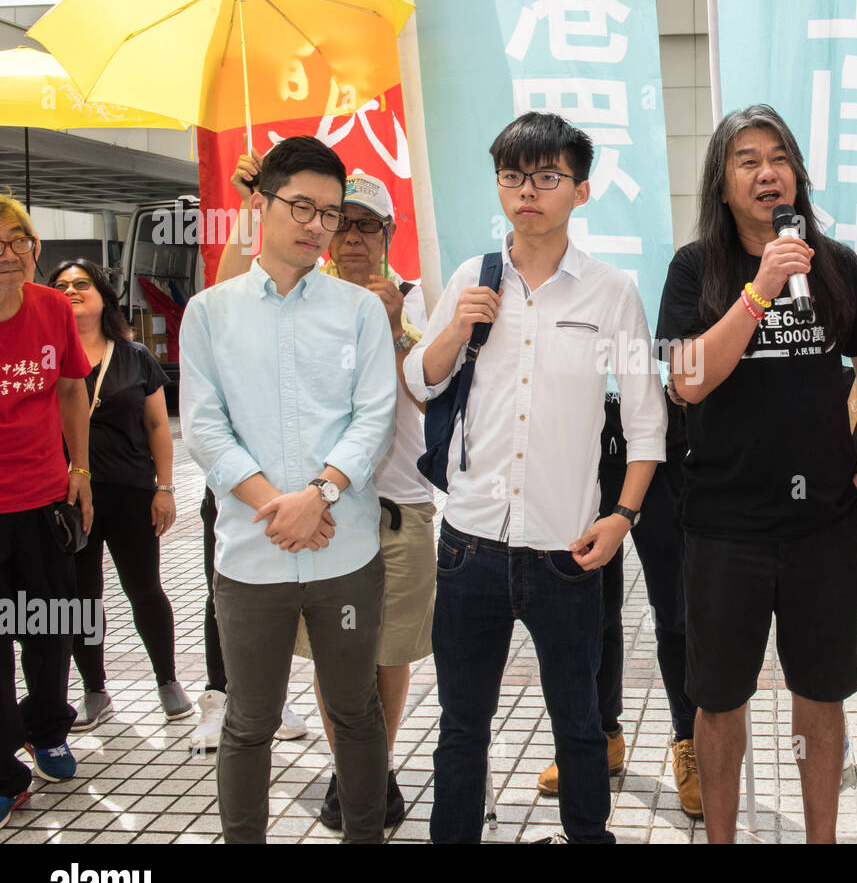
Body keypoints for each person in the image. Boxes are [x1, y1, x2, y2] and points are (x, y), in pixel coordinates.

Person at [406, 112, 666, 844]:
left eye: (548, 176)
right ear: (499, 186)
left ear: (580, 191)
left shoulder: (610, 290)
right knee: (462, 725)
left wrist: (623, 517)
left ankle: (589, 837)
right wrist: (456, 327)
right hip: (469, 547)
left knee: (578, 721)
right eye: (514, 176)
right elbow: (420, 381)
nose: (529, 191)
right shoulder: (471, 279)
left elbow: (648, 422)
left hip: (568, 550)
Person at [656, 104, 857, 843]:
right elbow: (687, 381)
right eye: (746, 159)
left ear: (797, 175)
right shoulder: (697, 268)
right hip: (726, 524)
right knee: (720, 699)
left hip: (823, 522)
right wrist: (759, 290)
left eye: (779, 156)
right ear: (722, 185)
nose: (767, 172)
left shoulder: (836, 263)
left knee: (820, 696)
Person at [180, 136, 396, 843]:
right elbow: (206, 430)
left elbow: (374, 417)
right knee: (249, 719)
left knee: (356, 711)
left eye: (330, 213)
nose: (316, 224)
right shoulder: (209, 313)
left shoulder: (359, 310)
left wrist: (321, 495)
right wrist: (282, 505)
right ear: (261, 204)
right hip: (252, 556)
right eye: (301, 205)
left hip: (345, 553)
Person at [287, 172, 437, 831]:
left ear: (389, 234)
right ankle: (354, 770)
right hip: (325, 512)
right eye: (340, 221)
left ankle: (374, 766)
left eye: (366, 225)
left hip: (399, 504)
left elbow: (435, 400)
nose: (352, 236)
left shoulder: (421, 300)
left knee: (388, 651)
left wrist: (399, 328)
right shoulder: (300, 300)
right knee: (333, 651)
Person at [534, 392, 701, 819]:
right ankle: (600, 738)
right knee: (592, 610)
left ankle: (690, 740)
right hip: (588, 455)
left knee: (677, 610)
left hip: (663, 455)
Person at [45, 260, 192, 730]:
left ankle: (168, 680)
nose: (71, 291)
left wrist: (165, 488)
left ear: (104, 296)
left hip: (130, 491)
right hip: (66, 495)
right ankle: (94, 689)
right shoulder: (44, 356)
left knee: (144, 588)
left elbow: (157, 427)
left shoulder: (134, 356)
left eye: (81, 284)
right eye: (61, 285)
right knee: (82, 596)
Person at [0, 195, 92, 825]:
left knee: (49, 625)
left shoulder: (53, 308)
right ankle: (6, 765)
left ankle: (48, 728)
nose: (8, 253)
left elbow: (69, 388)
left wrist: (79, 470)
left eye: (18, 239)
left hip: (43, 500)